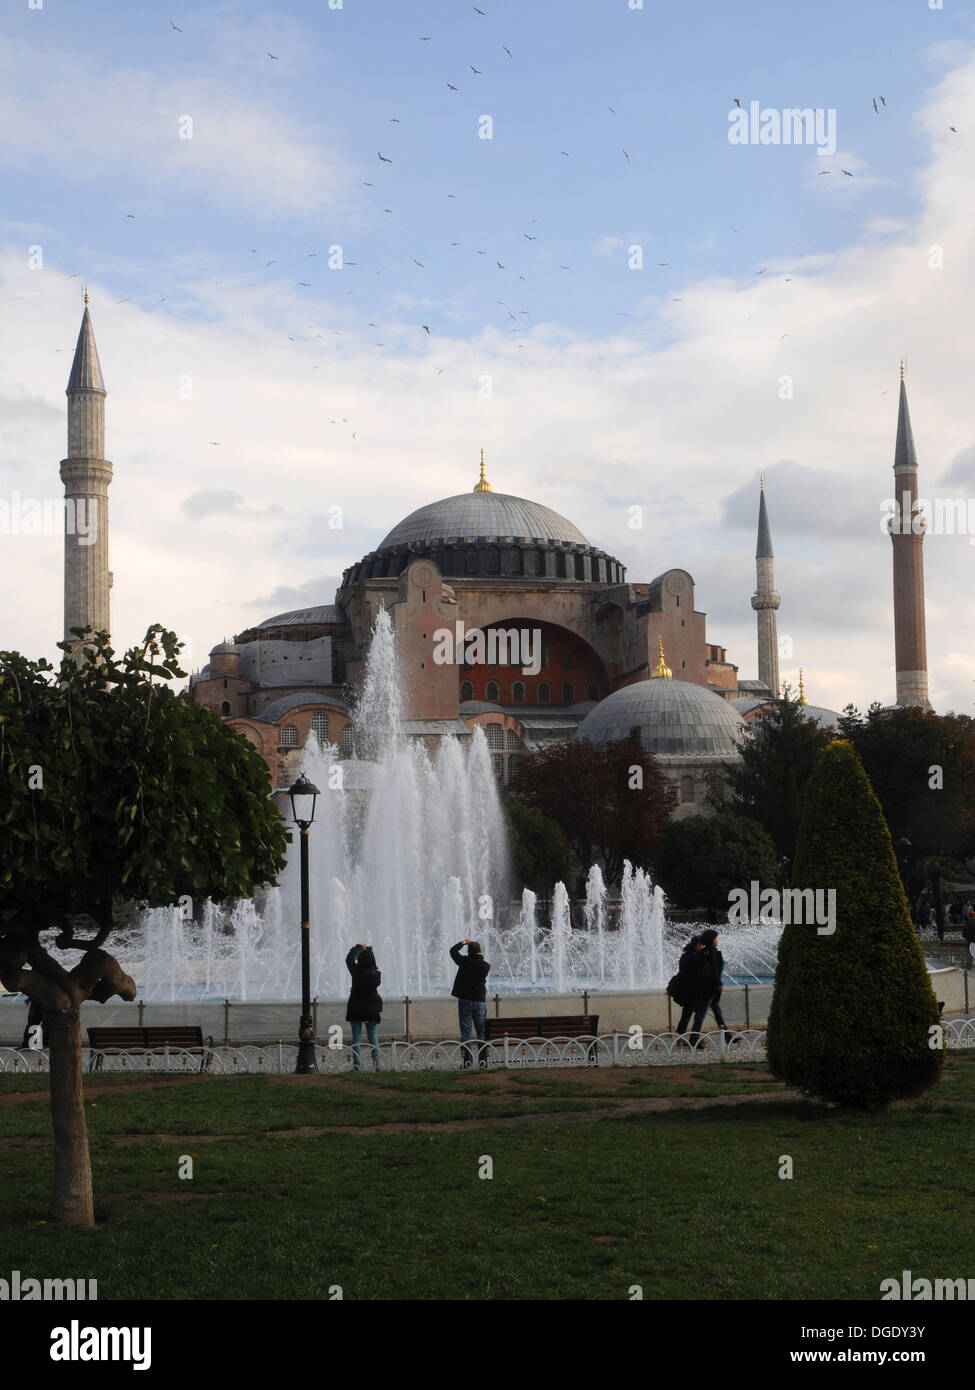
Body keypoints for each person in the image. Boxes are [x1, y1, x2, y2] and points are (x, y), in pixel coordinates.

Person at [687, 928, 735, 1047]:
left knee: (717, 1012)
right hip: (709, 989)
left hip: (703, 987)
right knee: (701, 1015)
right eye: (716, 938)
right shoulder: (713, 952)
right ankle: (693, 1038)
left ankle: (727, 1036)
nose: (717, 940)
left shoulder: (702, 952)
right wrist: (718, 983)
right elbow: (714, 969)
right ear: (712, 940)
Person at [450, 938, 490, 1067]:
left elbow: (453, 951)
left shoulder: (465, 962)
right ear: (480, 951)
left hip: (465, 1000)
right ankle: (483, 1061)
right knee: (481, 1032)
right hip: (480, 1002)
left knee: (466, 1031)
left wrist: (463, 942)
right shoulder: (485, 966)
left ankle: (467, 1061)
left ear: (469, 951)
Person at [345, 943, 382, 1071]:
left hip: (356, 1007)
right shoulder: (376, 974)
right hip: (371, 1008)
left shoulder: (356, 971)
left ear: (360, 959)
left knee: (356, 1037)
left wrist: (357, 948)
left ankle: (356, 1065)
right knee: (373, 1036)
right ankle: (377, 1065)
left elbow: (349, 959)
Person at [671, 934, 704, 1041]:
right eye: (701, 945)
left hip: (686, 990)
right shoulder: (693, 956)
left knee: (687, 1014)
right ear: (697, 945)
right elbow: (694, 974)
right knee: (698, 1013)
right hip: (691, 991)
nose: (702, 947)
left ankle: (681, 1037)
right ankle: (694, 1036)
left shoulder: (686, 955)